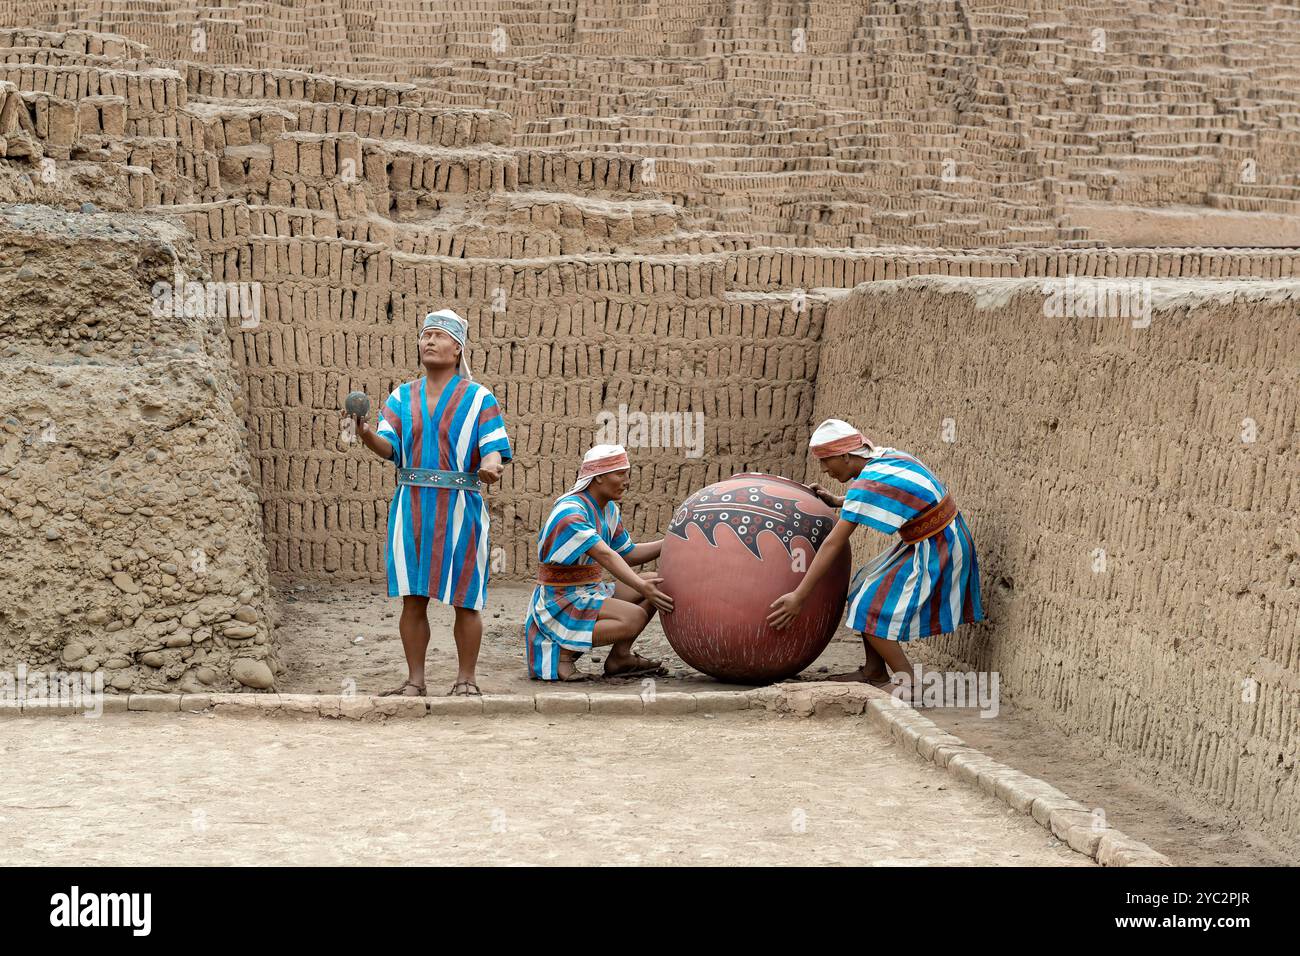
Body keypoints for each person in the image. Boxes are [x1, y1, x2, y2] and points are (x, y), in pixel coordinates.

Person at [347, 308, 511, 697]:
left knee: (466, 599)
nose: (430, 341)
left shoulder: (479, 398)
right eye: (425, 336)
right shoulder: (402, 396)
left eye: (439, 336)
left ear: (458, 348)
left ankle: (466, 679)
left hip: (461, 508)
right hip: (412, 508)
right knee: (413, 598)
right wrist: (365, 431)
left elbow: (493, 449)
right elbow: (390, 448)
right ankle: (415, 680)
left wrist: (490, 468)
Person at [767, 419, 983, 688]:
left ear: (846, 456)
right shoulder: (885, 457)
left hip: (940, 545)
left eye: (826, 461)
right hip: (930, 537)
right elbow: (884, 492)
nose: (823, 470)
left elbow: (833, 543)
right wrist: (840, 501)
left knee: (871, 609)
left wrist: (799, 596)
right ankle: (874, 672)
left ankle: (910, 683)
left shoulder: (867, 483)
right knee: (861, 586)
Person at [524, 444, 674, 682]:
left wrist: (674, 540)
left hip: (590, 590)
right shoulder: (570, 513)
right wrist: (639, 586)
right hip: (562, 599)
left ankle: (620, 657)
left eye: (627, 474)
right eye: (620, 474)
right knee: (633, 617)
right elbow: (606, 555)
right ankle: (562, 653)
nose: (626, 481)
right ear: (599, 477)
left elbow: (629, 553)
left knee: (657, 582)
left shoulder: (608, 510)